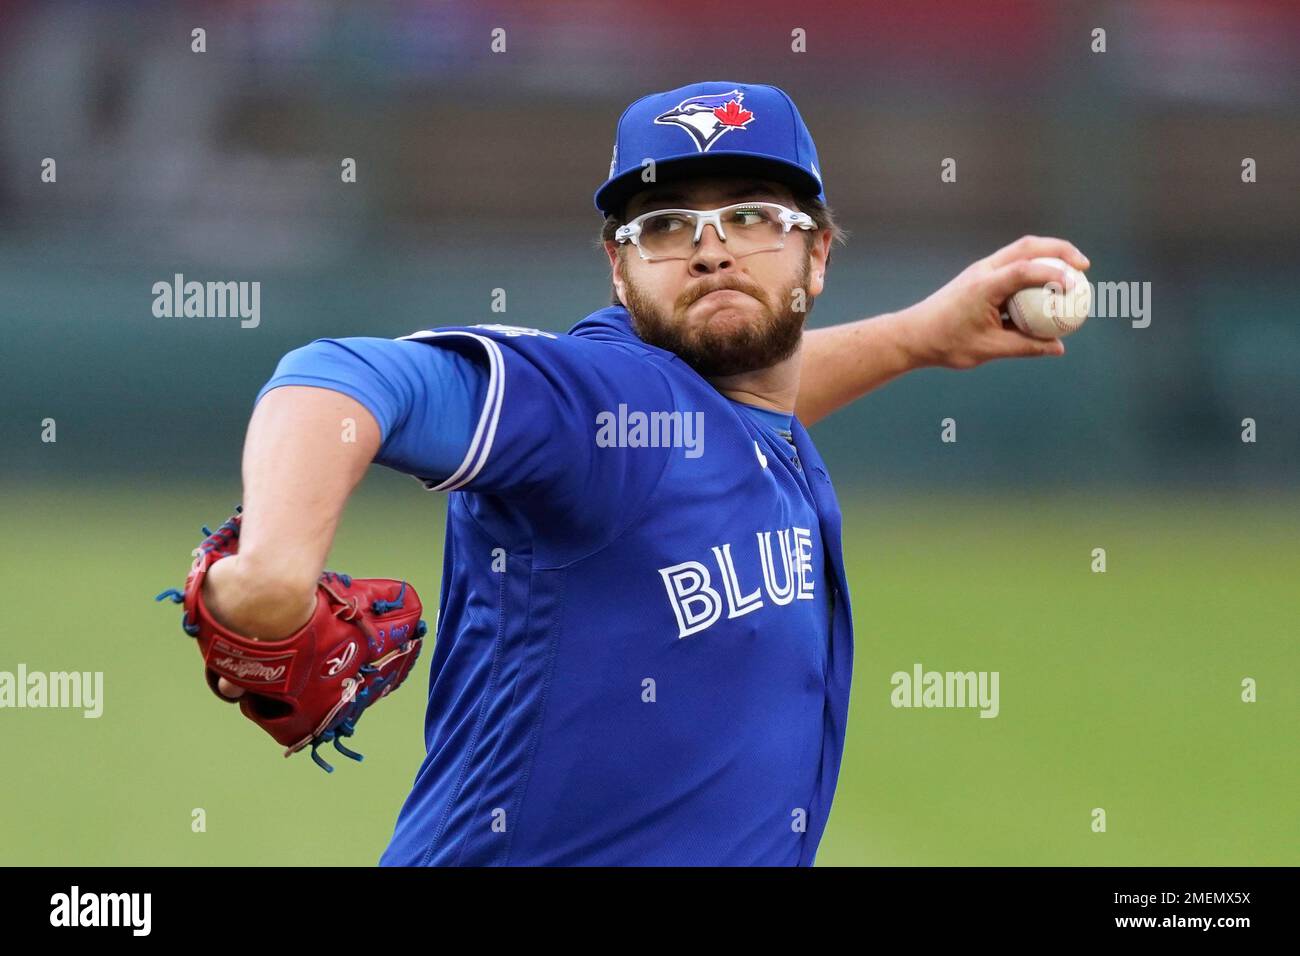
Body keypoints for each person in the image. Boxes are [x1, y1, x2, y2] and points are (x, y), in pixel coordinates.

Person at [201, 81, 1088, 865]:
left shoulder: (727, 419)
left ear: (817, 255)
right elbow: (341, 377)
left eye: (752, 217)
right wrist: (274, 575)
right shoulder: (596, 400)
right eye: (664, 226)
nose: (711, 250)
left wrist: (914, 338)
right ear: (619, 272)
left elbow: (736, 416)